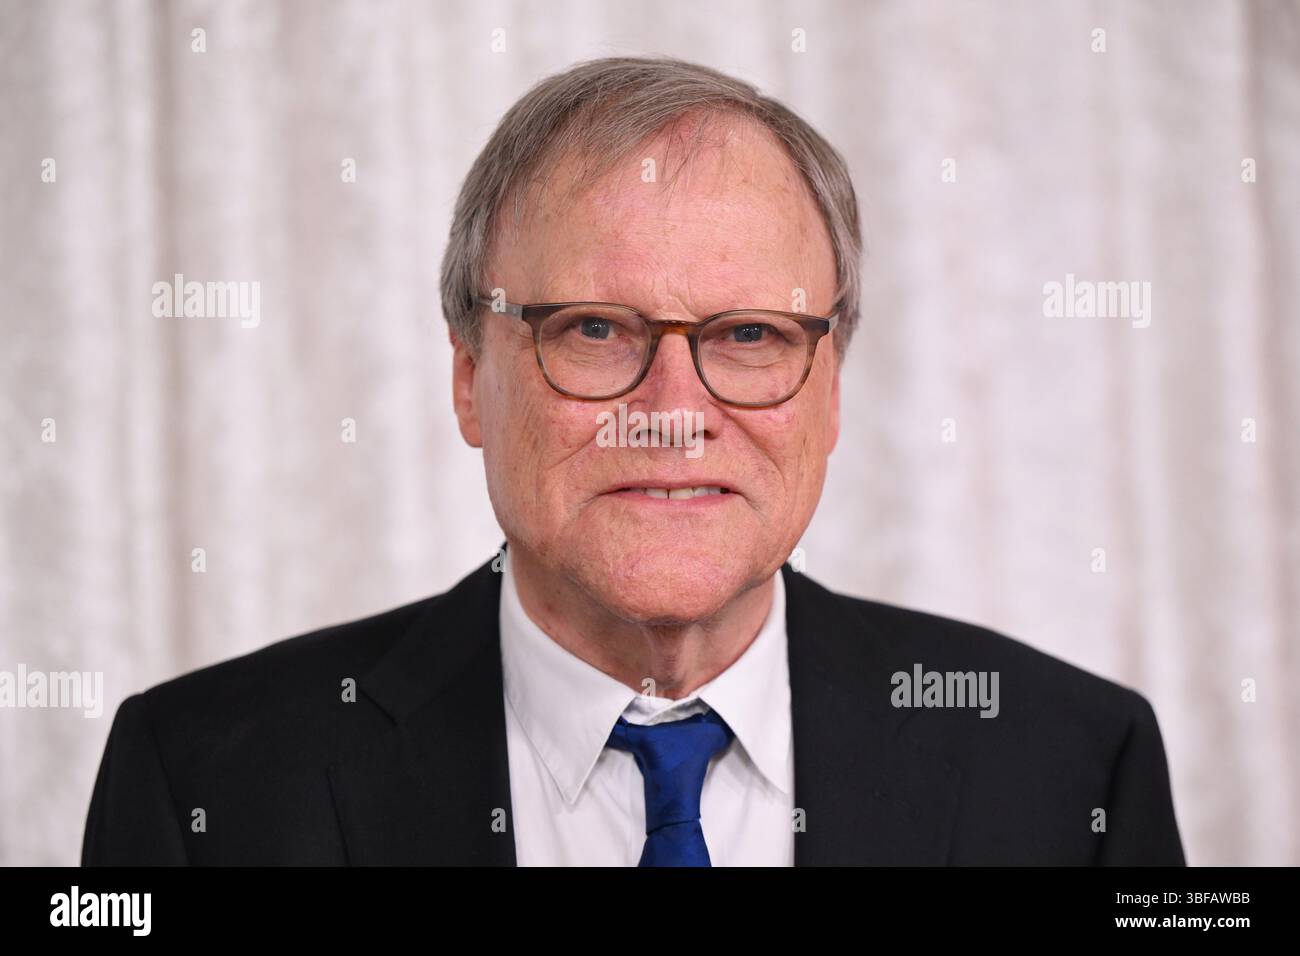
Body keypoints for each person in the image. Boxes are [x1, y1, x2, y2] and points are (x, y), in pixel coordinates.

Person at [82, 55, 1185, 866]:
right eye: (595, 330)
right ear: (469, 375)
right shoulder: (206, 781)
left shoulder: (1069, 765)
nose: (670, 411)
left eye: (749, 334)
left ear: (832, 387)